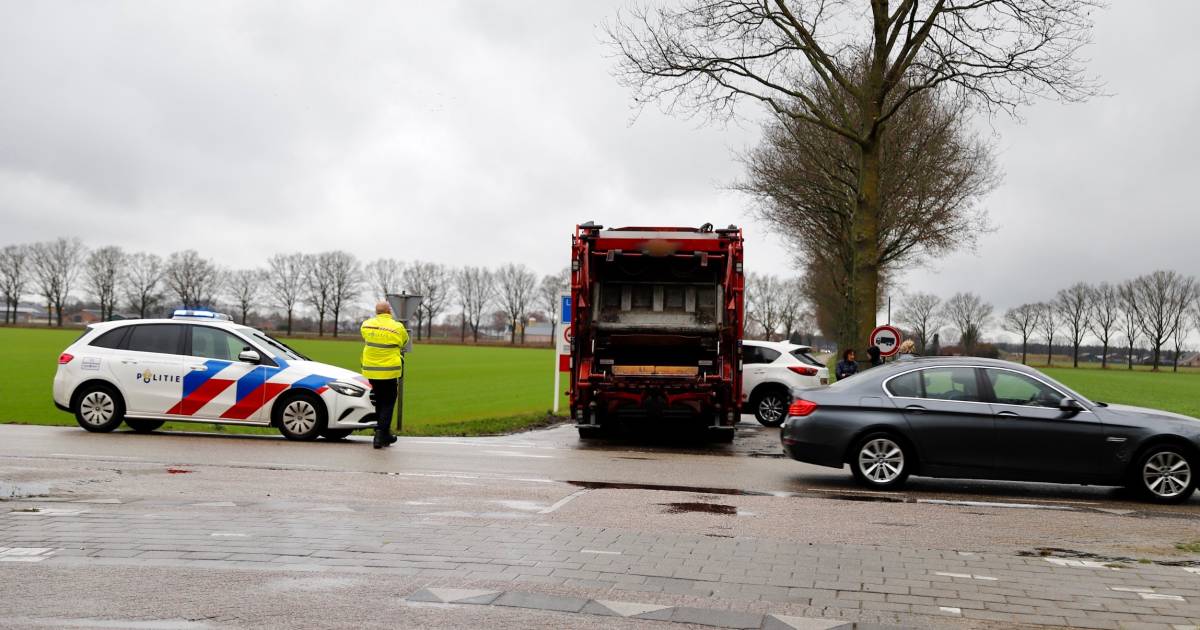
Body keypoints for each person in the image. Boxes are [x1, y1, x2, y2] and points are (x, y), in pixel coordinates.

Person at [360, 301, 410, 449]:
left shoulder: (366, 325)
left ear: (377, 311)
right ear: (389, 311)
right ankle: (380, 435)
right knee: (388, 402)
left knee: (380, 401)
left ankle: (384, 433)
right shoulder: (397, 327)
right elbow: (405, 341)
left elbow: (364, 336)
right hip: (389, 371)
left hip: (371, 370)